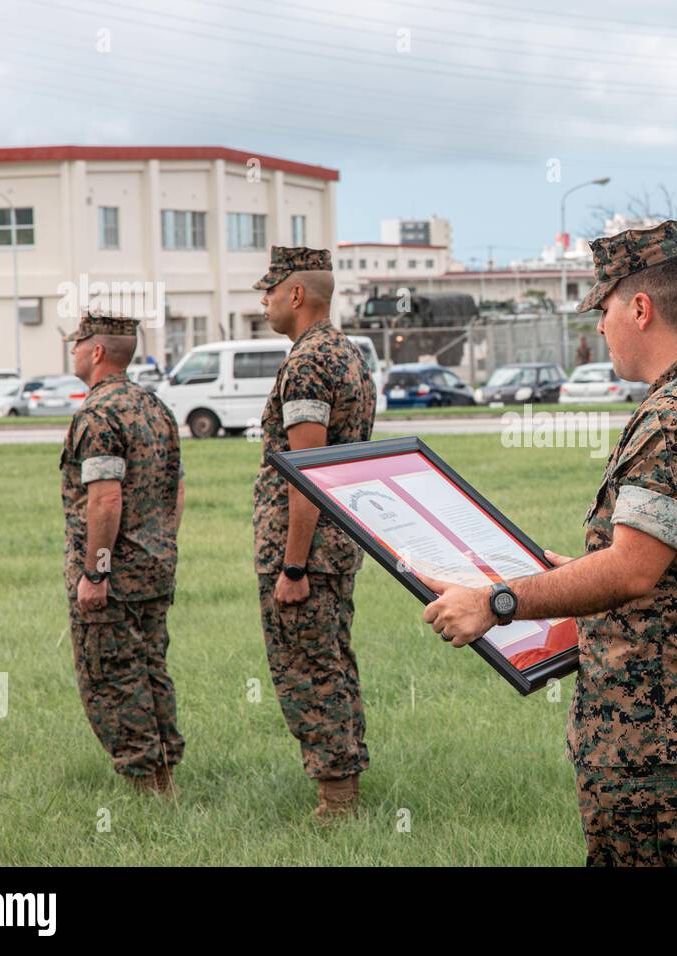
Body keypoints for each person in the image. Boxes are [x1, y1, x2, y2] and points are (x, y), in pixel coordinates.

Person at [417, 220, 677, 866]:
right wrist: (582, 572)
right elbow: (664, 564)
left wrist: (496, 602)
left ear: (640, 308)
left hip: (654, 731)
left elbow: (633, 571)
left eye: (605, 309)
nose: (600, 327)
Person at [252, 245, 376, 819]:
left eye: (271, 291)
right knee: (332, 662)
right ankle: (344, 783)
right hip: (341, 545)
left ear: (296, 294)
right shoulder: (349, 355)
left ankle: (336, 800)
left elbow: (309, 474)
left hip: (309, 553)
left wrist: (293, 565)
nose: (266, 301)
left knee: (309, 671)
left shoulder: (307, 363)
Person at [60, 312, 185, 794]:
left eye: (75, 345)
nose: (71, 352)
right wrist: (163, 544)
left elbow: (106, 497)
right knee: (151, 668)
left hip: (114, 576)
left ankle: (147, 789)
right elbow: (176, 491)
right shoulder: (154, 407)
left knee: (112, 677)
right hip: (155, 567)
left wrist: (96, 571)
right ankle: (164, 776)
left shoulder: (98, 415)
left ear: (95, 352)